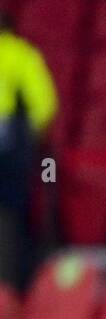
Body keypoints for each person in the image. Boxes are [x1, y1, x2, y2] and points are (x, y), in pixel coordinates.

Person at [0, 10, 58, 288]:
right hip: (10, 144)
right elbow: (44, 105)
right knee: (12, 212)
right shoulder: (22, 54)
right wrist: (30, 137)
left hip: (10, 140)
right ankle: (11, 283)